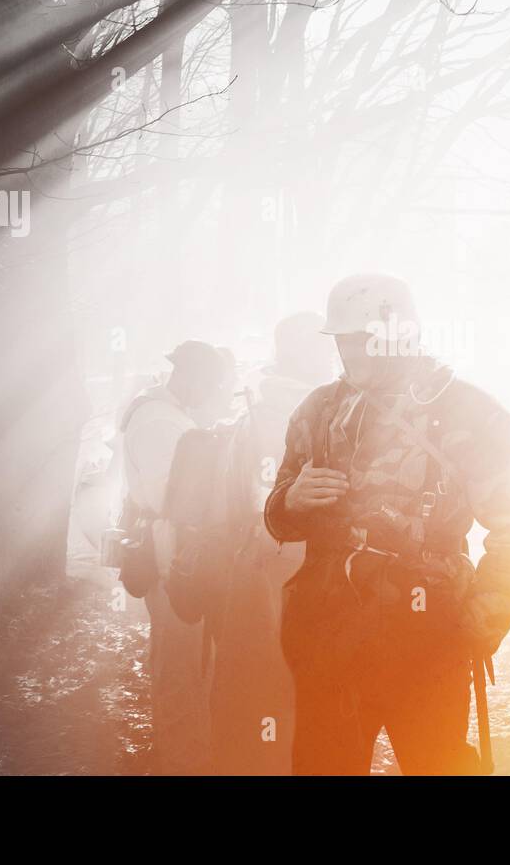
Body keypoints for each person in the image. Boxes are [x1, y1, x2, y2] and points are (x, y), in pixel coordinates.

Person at [264, 274, 510, 775]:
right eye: (343, 342)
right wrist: (292, 501)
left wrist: (472, 629)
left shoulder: (469, 412)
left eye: (362, 341)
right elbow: (278, 518)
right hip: (329, 637)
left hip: (427, 640)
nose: (350, 354)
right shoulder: (318, 411)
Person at [210, 312, 336, 774]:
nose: (331, 356)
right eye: (321, 348)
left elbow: (228, 508)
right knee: (288, 694)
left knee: (268, 694)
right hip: (287, 569)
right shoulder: (294, 415)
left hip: (264, 567)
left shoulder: (265, 410)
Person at [119, 339, 228, 774]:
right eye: (211, 384)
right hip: (169, 552)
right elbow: (171, 497)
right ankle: (182, 760)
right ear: (191, 378)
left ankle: (188, 752)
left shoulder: (169, 415)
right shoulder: (160, 422)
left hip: (176, 550)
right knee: (179, 661)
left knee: (187, 659)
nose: (212, 392)